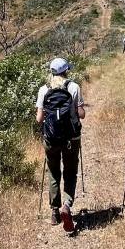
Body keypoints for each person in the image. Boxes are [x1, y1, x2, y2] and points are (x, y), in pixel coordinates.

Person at [36, 57, 86, 231]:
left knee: (54, 172)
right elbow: (81, 114)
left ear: (51, 72)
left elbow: (39, 118)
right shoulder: (74, 87)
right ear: (66, 71)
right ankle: (67, 204)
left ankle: (54, 212)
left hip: (51, 139)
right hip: (71, 138)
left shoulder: (44, 90)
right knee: (70, 172)